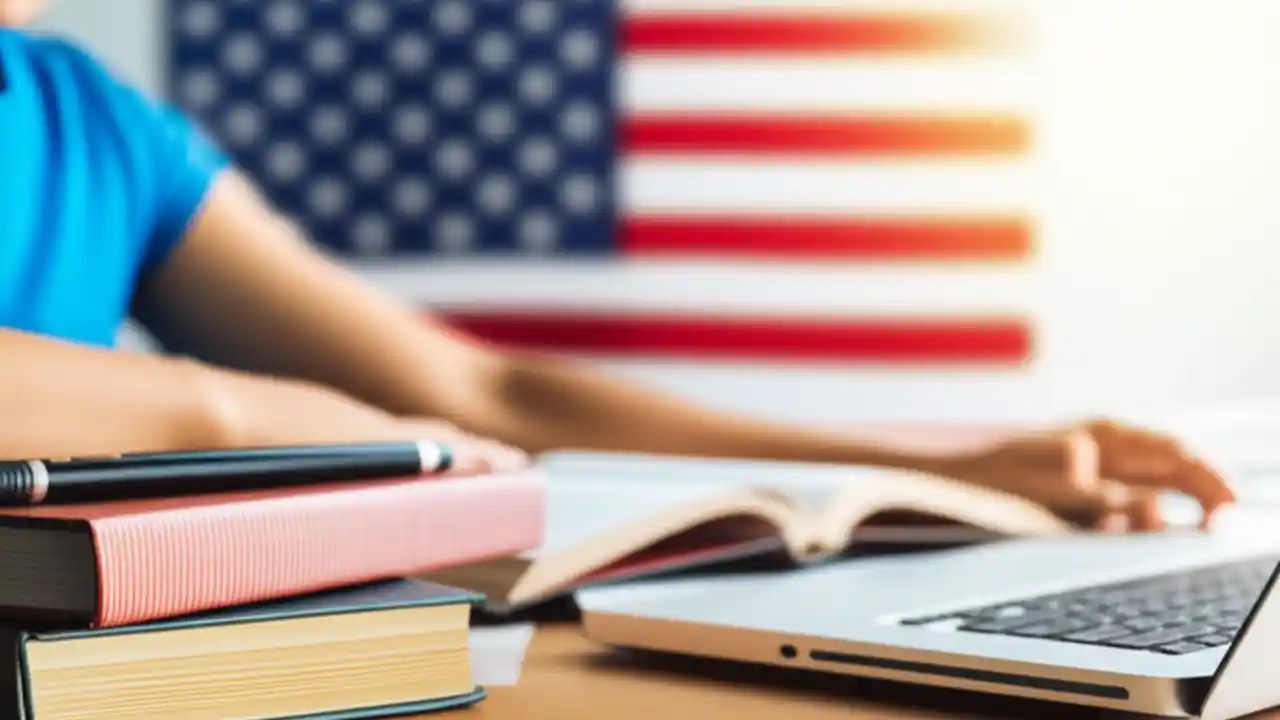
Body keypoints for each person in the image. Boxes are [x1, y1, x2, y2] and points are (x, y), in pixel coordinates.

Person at [0, 3, 1234, 532]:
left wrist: (935, 470)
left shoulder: (88, 119)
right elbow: (325, 412)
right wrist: (276, 420)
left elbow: (491, 398)